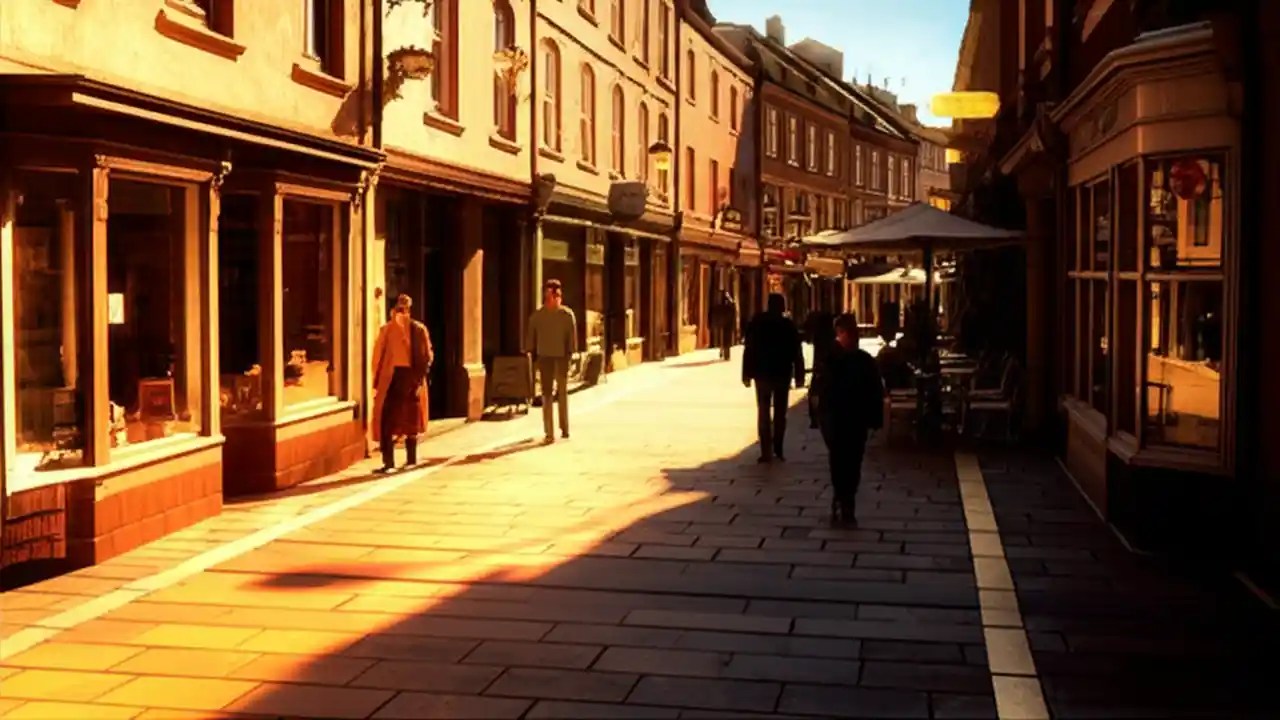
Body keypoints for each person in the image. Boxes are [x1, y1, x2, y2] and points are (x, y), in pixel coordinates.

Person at [816, 312, 885, 525]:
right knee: (845, 461)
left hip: (848, 419)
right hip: (842, 419)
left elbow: (875, 392)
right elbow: (819, 389)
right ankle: (843, 499)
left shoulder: (853, 360)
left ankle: (845, 499)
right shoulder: (838, 359)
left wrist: (875, 419)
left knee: (848, 461)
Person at [371, 293, 432, 473]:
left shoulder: (410, 329)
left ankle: (402, 460)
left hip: (405, 377)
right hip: (397, 377)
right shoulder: (393, 329)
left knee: (404, 420)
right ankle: (395, 461)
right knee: (396, 420)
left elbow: (426, 356)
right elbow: (427, 356)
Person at [742, 292, 806, 463]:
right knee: (780, 413)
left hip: (762, 374)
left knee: (763, 412)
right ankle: (778, 448)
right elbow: (796, 352)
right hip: (781, 374)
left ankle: (766, 450)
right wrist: (799, 375)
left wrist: (746, 373)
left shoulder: (757, 323)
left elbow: (749, 348)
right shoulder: (788, 325)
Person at [525, 278, 578, 443]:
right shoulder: (537, 316)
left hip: (561, 357)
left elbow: (572, 340)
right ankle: (549, 431)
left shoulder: (567, 315)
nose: (552, 298)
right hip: (545, 357)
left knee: (562, 393)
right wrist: (531, 356)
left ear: (559, 296)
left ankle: (565, 428)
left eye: (555, 295)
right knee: (547, 394)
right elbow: (531, 340)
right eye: (548, 295)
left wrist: (571, 356)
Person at [805, 309, 837, 429]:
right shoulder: (831, 335)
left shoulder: (818, 336)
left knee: (815, 391)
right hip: (828, 367)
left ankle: (815, 417)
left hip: (819, 366)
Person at [713, 290, 737, 361]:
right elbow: (733, 304)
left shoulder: (725, 306)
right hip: (726, 325)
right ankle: (725, 353)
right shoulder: (727, 306)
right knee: (725, 340)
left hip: (726, 325)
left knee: (725, 340)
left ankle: (724, 353)